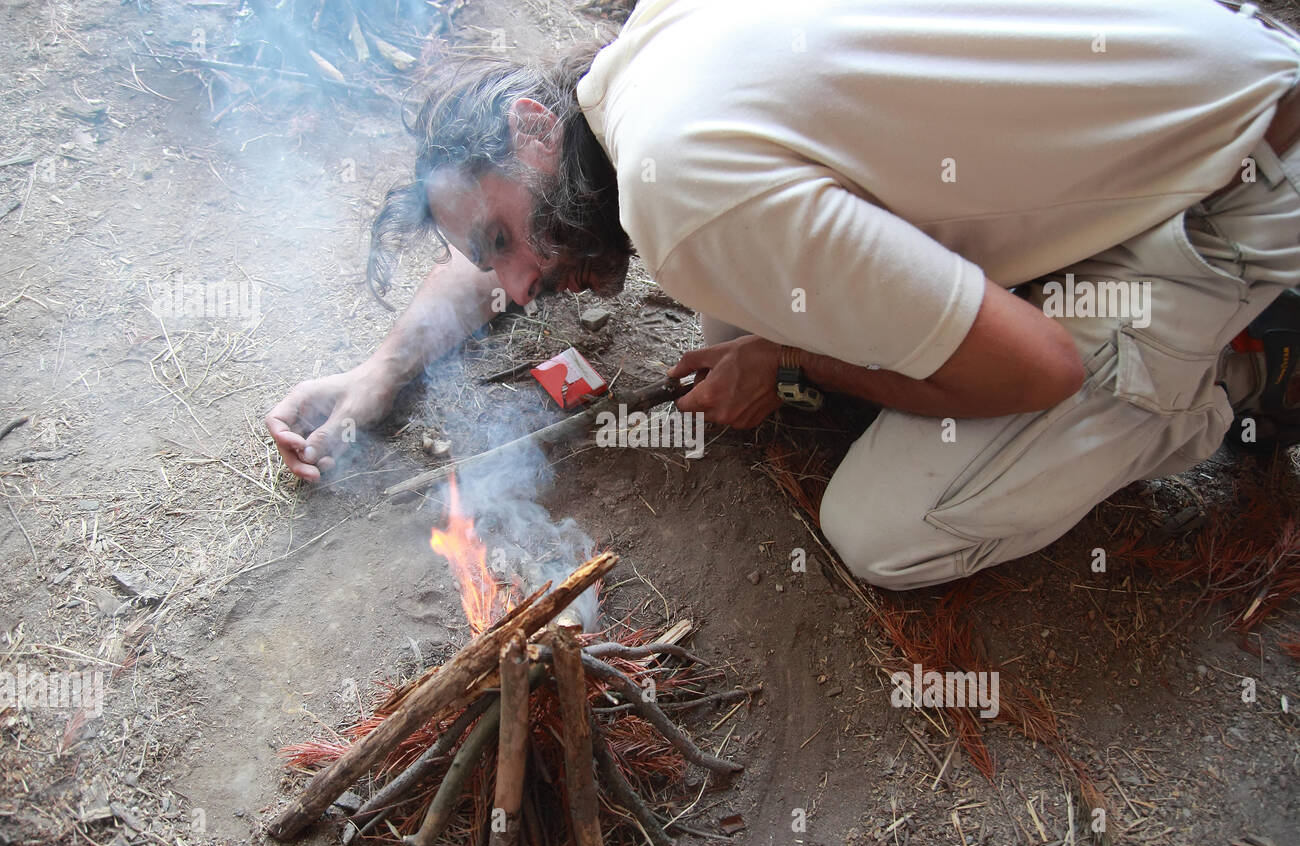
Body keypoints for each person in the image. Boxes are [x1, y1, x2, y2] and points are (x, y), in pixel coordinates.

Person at [267, 0, 1300, 589]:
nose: (522, 284)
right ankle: (1019, 274)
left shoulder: (685, 201)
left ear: (534, 126)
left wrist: (792, 360)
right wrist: (378, 372)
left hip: (1235, 190)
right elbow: (506, 250)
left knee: (882, 530)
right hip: (1182, 82)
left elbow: (1039, 367)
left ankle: (1238, 372)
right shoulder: (638, 64)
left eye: (504, 239)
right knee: (743, 306)